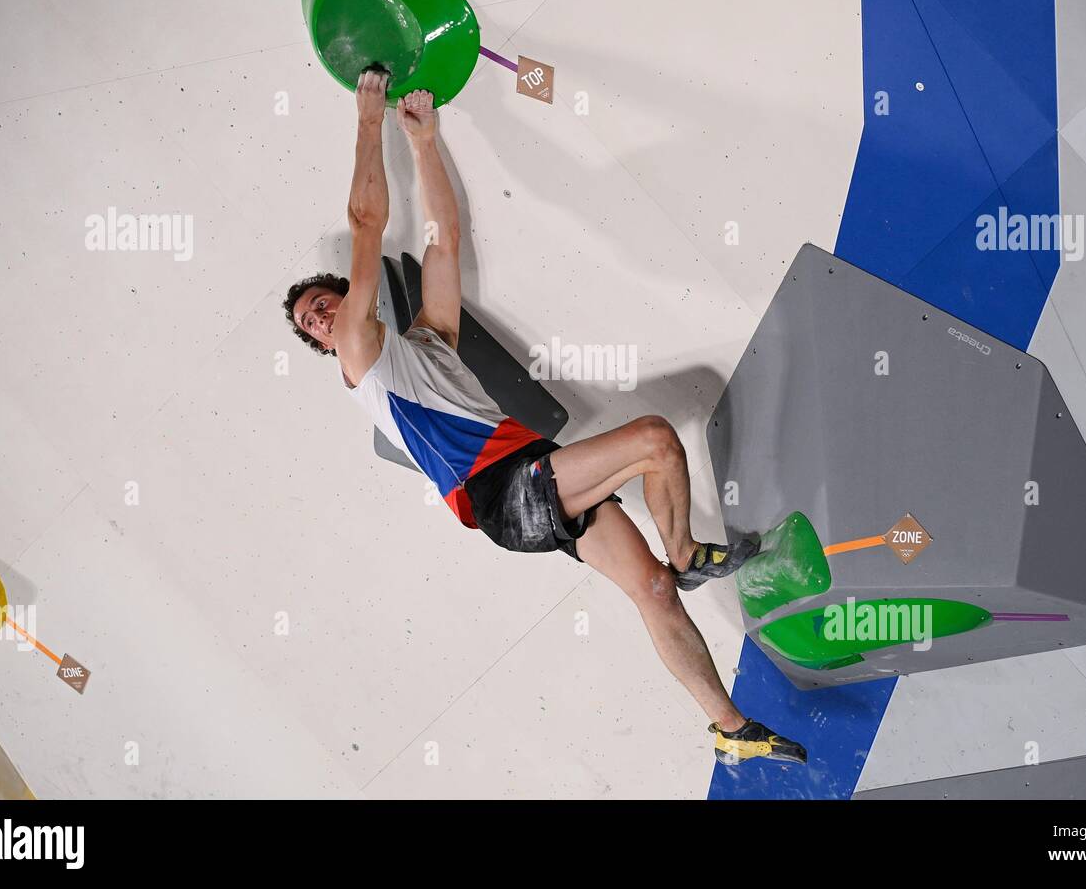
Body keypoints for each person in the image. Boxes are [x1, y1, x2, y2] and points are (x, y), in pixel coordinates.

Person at [284, 69, 806, 766]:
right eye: (311, 322)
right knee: (654, 439)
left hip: (531, 473)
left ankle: (730, 729)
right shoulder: (361, 356)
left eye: (321, 301)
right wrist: (368, 121)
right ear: (327, 341)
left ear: (349, 296)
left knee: (651, 589)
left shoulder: (427, 341)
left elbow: (443, 243)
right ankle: (686, 553)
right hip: (505, 494)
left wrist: (427, 143)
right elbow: (366, 222)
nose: (320, 315)